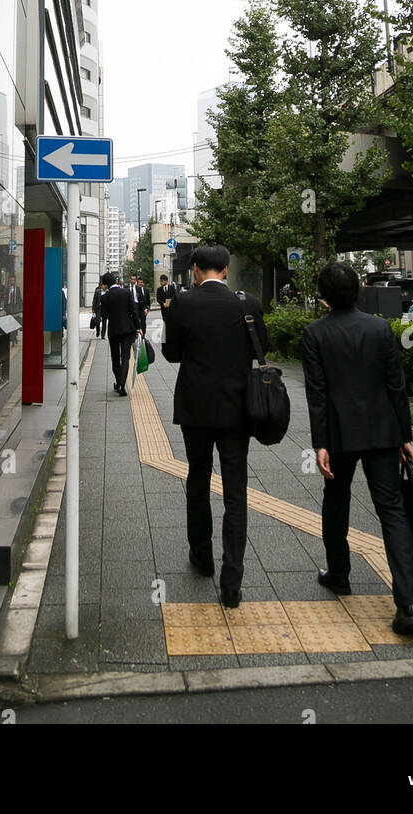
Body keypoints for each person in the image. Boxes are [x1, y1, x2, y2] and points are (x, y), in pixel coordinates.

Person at [301, 261, 413, 636]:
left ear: (322, 297)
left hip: (339, 434)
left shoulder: (315, 334)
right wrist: (404, 435)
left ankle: (339, 575)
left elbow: (317, 396)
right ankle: (409, 603)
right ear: (357, 291)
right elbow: (396, 386)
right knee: (392, 511)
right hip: (383, 432)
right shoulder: (380, 328)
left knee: (336, 501)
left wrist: (319, 444)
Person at [162, 244, 268, 608]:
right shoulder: (247, 304)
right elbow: (261, 350)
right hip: (238, 410)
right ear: (224, 270)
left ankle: (202, 555)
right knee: (236, 489)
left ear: (195, 269)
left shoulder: (183, 303)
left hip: (195, 408)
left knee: (198, 477)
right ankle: (232, 581)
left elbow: (172, 353)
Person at [99, 271, 137, 397]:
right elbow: (134, 311)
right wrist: (138, 328)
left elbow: (104, 316)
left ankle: (118, 381)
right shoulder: (126, 292)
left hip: (113, 330)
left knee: (115, 358)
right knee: (125, 358)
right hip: (127, 329)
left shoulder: (105, 297)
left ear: (106, 285)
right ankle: (121, 384)